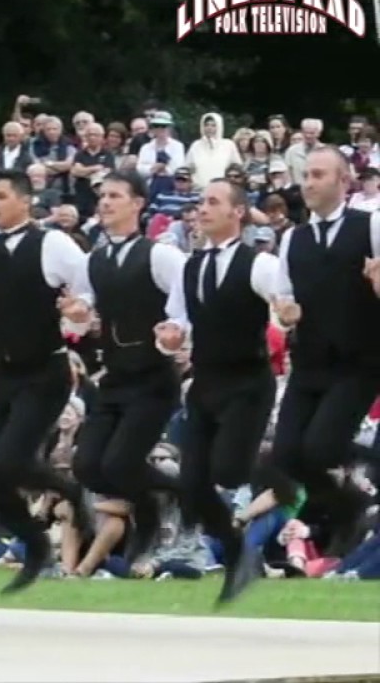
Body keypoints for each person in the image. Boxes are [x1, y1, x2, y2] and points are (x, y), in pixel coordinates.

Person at [0, 168, 93, 594]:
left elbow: (89, 285)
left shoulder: (51, 243)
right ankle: (36, 546)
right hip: (6, 373)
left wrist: (78, 309)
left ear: (24, 200)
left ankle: (66, 490)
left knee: (10, 460)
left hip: (45, 371)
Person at [155, 179, 281, 605]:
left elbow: (285, 306)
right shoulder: (189, 266)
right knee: (192, 483)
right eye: (200, 202)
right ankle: (238, 555)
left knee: (227, 471)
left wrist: (286, 311)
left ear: (238, 212)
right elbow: (178, 322)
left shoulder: (259, 264)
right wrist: (170, 339)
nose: (202, 209)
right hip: (206, 382)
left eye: (213, 202)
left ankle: (281, 480)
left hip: (247, 382)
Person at [73, 171, 187, 562]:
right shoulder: (95, 259)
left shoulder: (160, 255)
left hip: (152, 378)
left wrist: (180, 336)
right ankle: (164, 495)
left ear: (138, 203)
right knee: (87, 464)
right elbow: (81, 310)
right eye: (102, 196)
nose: (105, 202)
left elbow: (189, 299)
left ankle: (165, 504)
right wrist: (76, 312)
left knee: (120, 463)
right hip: (115, 377)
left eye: (115, 196)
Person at [271, 148, 380, 555]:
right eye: (306, 175)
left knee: (320, 448)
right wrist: (285, 315)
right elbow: (283, 302)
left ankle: (364, 474)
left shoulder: (371, 226)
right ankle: (352, 506)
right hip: (310, 362)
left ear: (343, 181)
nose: (309, 182)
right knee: (286, 454)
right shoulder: (291, 239)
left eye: (319, 174)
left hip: (359, 362)